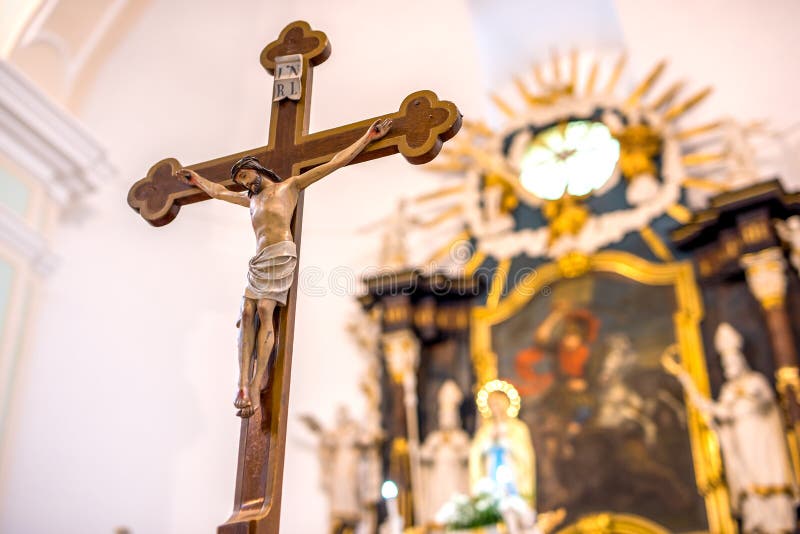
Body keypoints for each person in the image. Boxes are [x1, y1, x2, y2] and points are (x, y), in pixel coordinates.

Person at [176, 119, 392, 417]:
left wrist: (367, 137)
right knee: (246, 312)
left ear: (257, 169)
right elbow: (218, 192)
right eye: (239, 181)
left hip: (281, 254)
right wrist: (197, 180)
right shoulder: (250, 200)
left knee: (266, 310)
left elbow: (334, 163)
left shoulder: (289, 187)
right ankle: (241, 383)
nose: (244, 183)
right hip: (259, 259)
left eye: (245, 176)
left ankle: (255, 384)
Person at [662, 323, 798, 533]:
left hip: (764, 442)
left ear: (740, 360)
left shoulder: (756, 382)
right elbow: (711, 409)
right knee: (750, 483)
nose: (729, 367)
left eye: (732, 361)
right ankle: (760, 520)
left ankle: (778, 521)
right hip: (743, 443)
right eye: (726, 364)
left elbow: (769, 402)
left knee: (769, 478)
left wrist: (751, 399)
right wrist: (685, 378)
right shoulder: (728, 391)